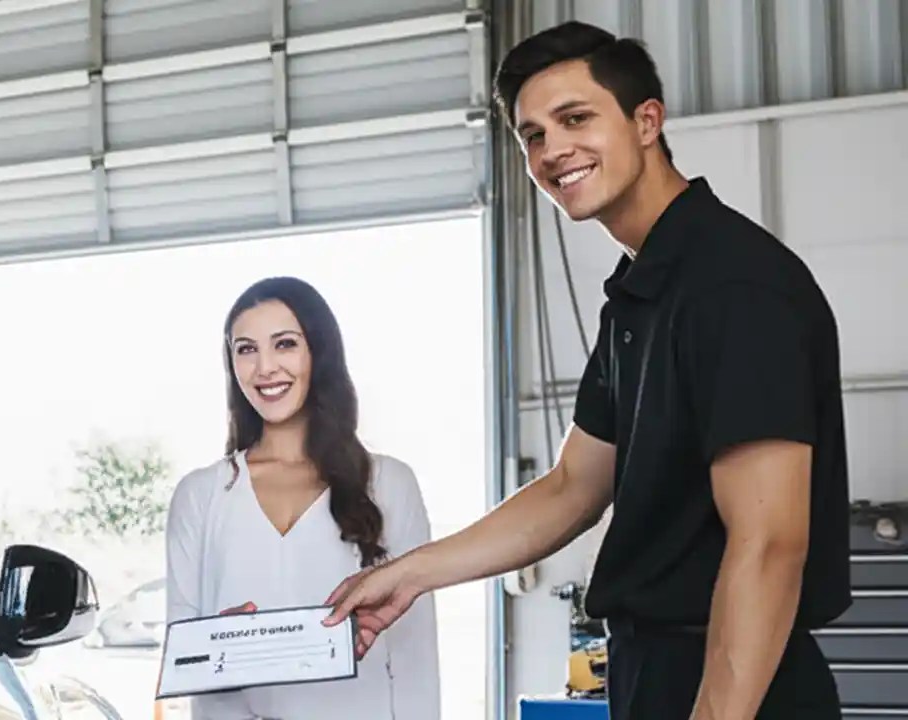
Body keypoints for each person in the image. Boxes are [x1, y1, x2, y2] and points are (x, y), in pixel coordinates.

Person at [324, 20, 850, 720]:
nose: (552, 151)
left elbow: (770, 544)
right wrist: (411, 573)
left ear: (645, 121)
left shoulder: (732, 284)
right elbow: (575, 485)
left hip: (734, 681)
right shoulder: (642, 290)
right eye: (533, 135)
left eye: (575, 118)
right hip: (652, 671)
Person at [165, 276, 441, 720]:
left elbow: (415, 661)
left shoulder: (390, 484)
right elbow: (183, 657)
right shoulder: (200, 496)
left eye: (285, 344)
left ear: (319, 353)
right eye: (246, 349)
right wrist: (219, 640)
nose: (265, 368)